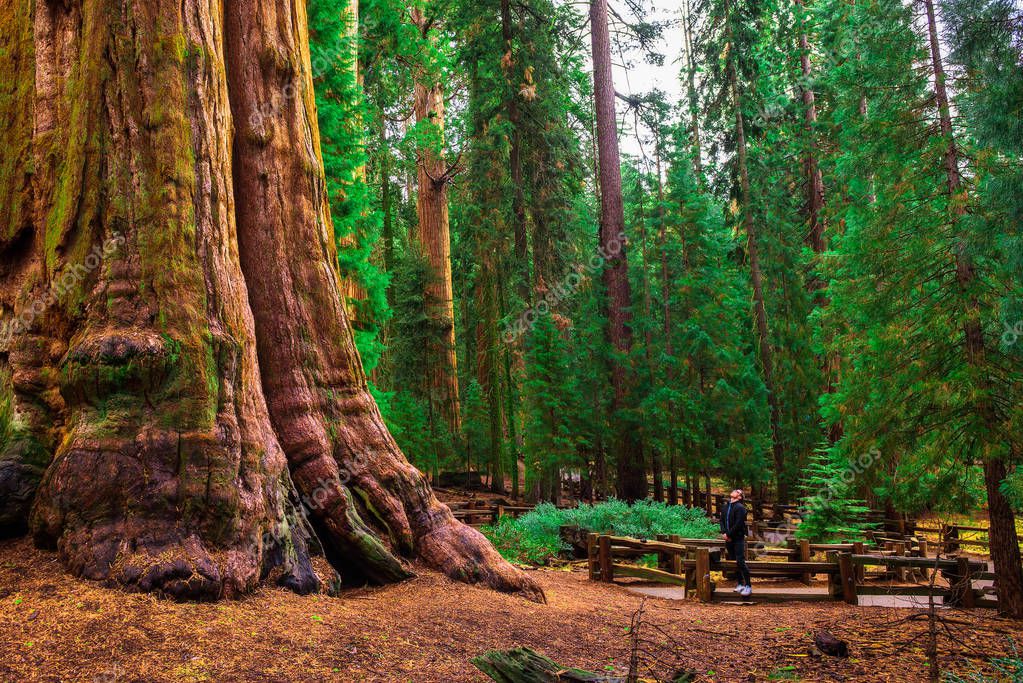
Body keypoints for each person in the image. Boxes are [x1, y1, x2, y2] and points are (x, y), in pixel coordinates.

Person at [720, 488, 751, 597]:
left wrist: (728, 535)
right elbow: (722, 521)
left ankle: (748, 585)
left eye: (737, 491)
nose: (734, 491)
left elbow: (738, 524)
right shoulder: (725, 506)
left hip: (738, 538)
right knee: (734, 562)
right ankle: (740, 584)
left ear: (740, 497)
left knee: (740, 561)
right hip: (728, 539)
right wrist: (723, 533)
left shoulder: (741, 508)